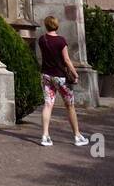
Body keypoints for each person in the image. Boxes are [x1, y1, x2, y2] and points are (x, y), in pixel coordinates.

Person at [38, 14, 89, 147]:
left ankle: (45, 136)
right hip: (60, 77)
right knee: (70, 106)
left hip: (46, 75)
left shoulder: (42, 40)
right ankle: (77, 136)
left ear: (46, 25)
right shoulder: (61, 41)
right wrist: (75, 73)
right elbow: (66, 60)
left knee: (48, 104)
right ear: (56, 25)